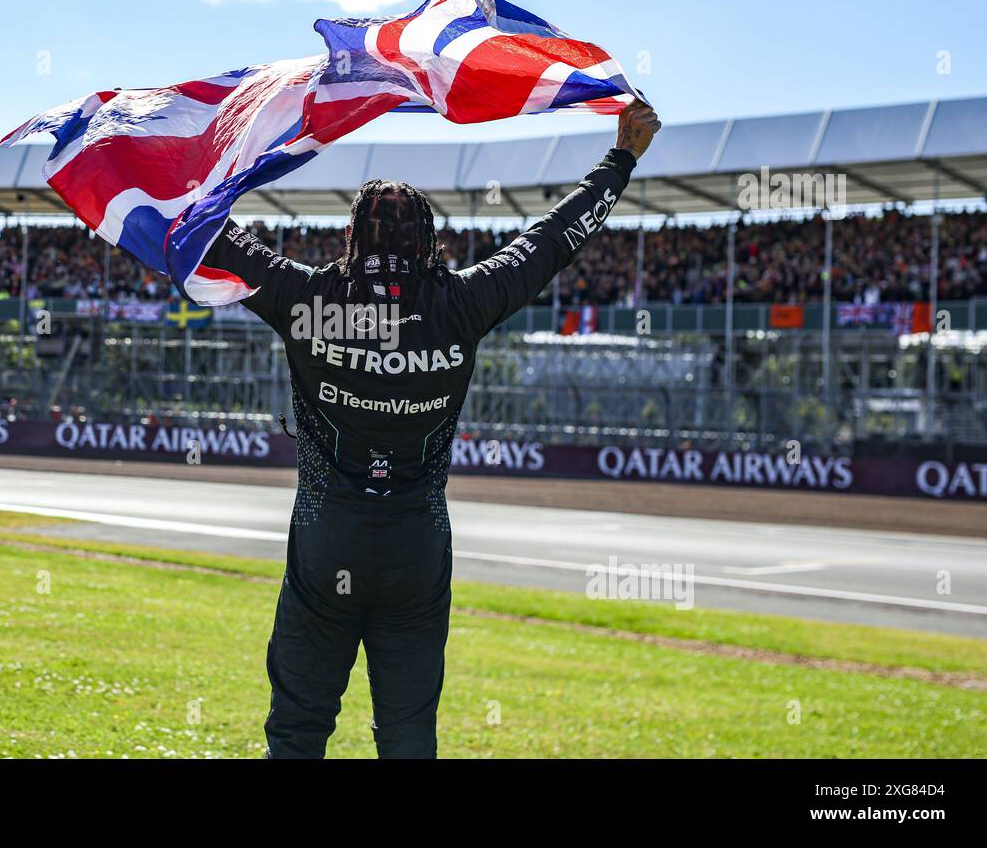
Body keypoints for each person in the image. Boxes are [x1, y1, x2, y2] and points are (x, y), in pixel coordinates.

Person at [200, 101, 662, 758]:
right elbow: (551, 241)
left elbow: (210, 231)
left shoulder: (303, 296)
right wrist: (621, 158)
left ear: (354, 234)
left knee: (298, 727)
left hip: (326, 539)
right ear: (427, 237)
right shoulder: (463, 301)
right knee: (410, 733)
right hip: (417, 547)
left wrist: (180, 167)